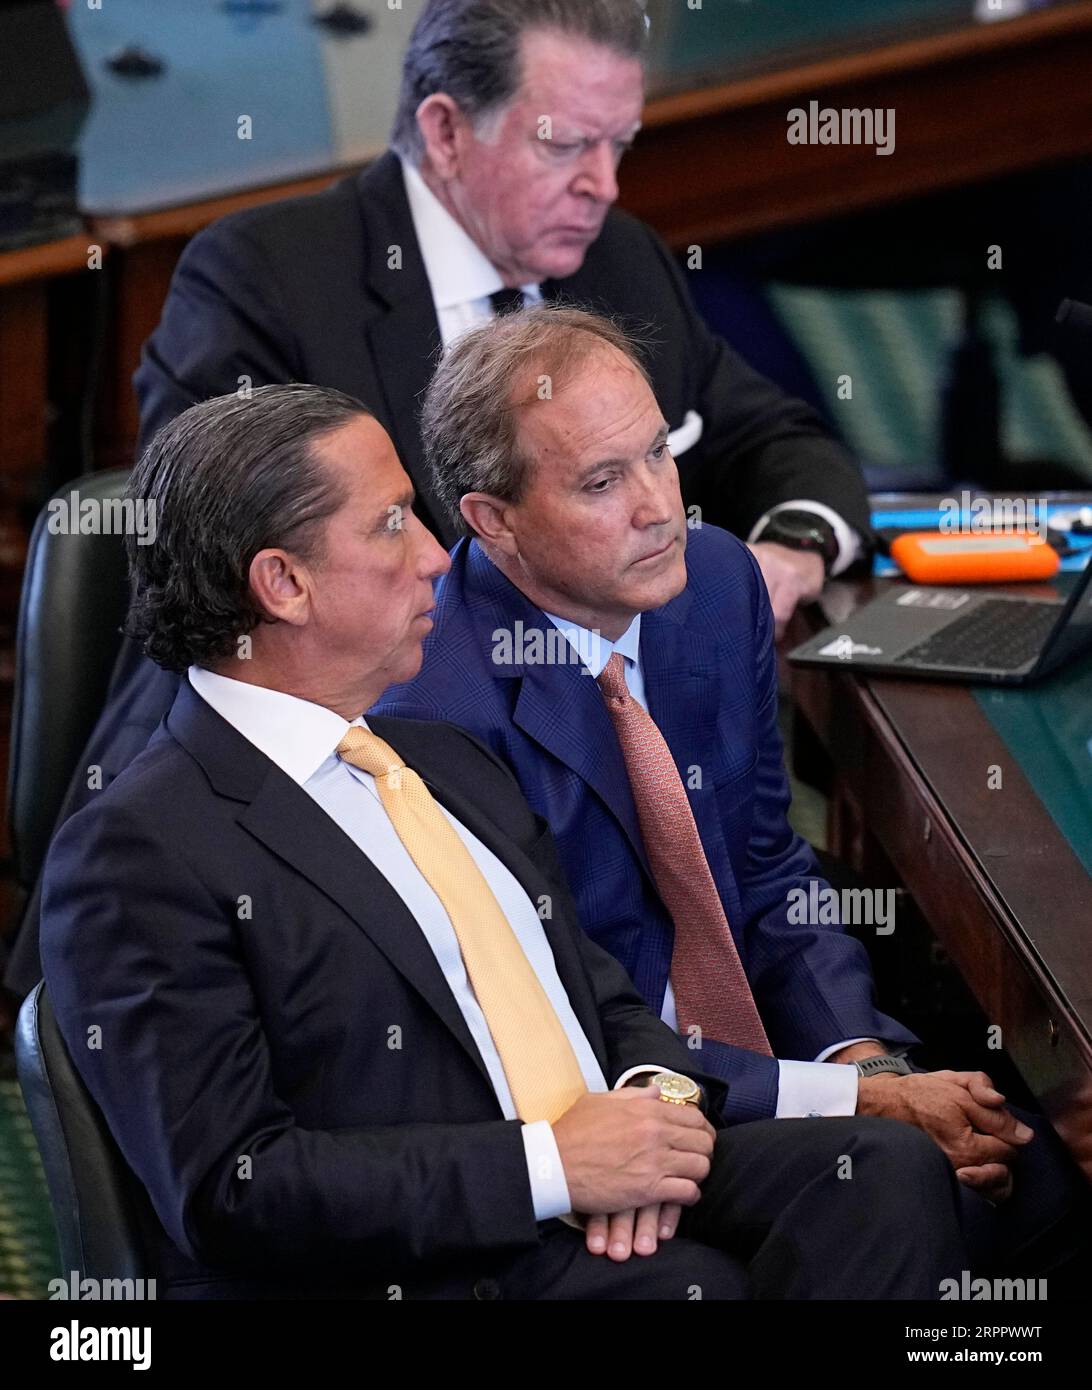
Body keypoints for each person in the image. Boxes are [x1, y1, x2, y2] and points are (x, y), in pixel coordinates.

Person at [0, 0, 876, 1003]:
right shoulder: (265, 279)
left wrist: (792, 551)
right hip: (319, 835)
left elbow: (780, 443)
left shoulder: (619, 260)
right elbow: (224, 571)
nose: (606, 185)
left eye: (619, 144)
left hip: (585, 816)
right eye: (566, 146)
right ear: (446, 130)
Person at [39, 385, 966, 1300]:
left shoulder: (437, 757)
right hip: (424, 1253)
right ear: (284, 583)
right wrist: (553, 1169)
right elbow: (231, 1188)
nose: (439, 558)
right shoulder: (137, 853)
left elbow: (601, 995)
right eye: (392, 524)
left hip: (597, 1165)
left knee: (882, 1175)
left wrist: (657, 1101)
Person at [371, 304, 1090, 1281]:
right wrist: (846, 1104)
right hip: (622, 1099)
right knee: (915, 1190)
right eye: (601, 481)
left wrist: (859, 1060)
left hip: (775, 1053)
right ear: (492, 521)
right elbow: (563, 1023)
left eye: (659, 454)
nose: (660, 504)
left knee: (1038, 1175)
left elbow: (764, 865)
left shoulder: (712, 585)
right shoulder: (435, 712)